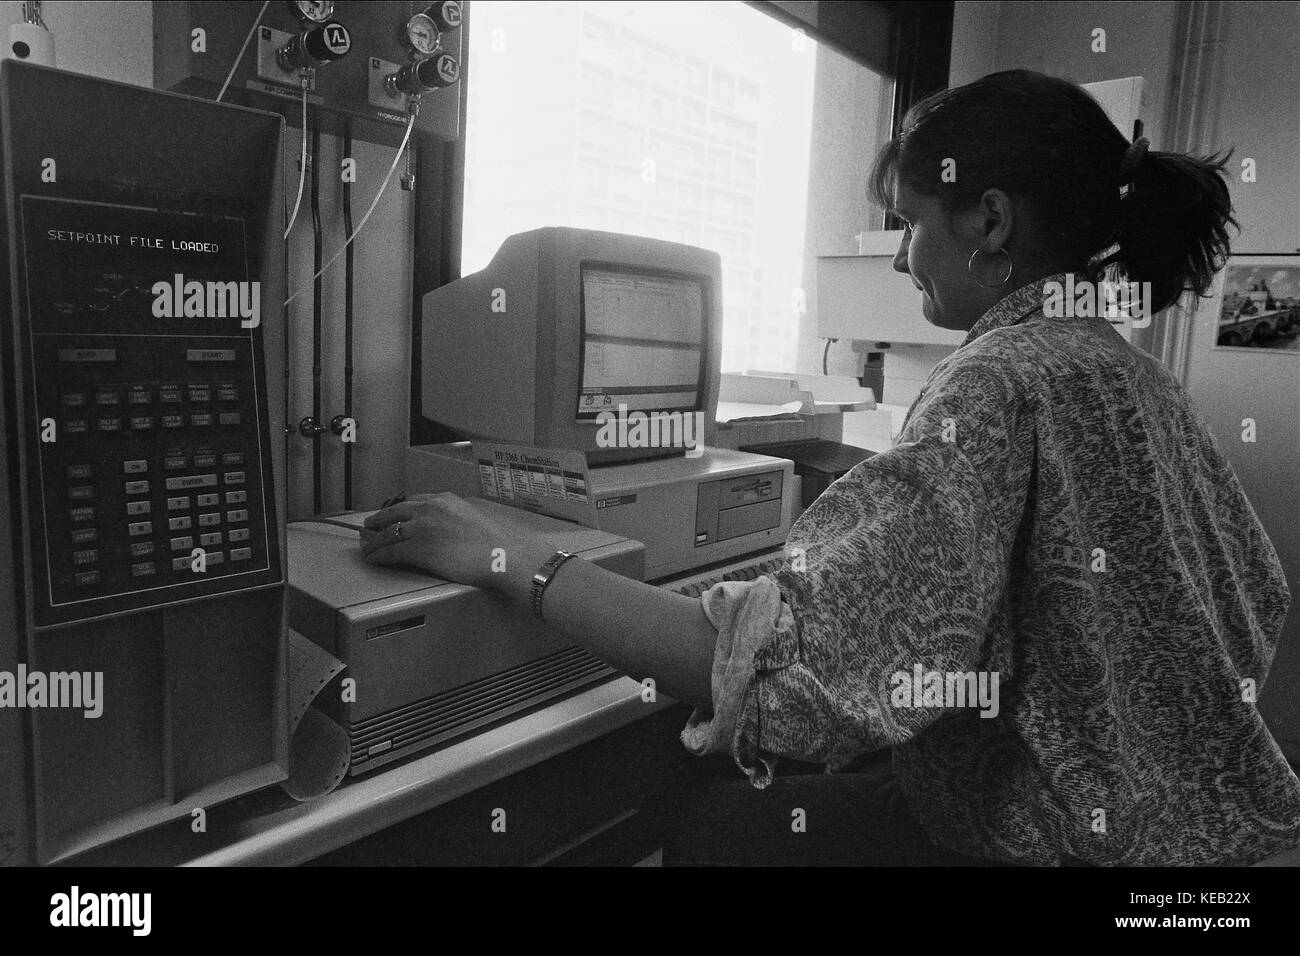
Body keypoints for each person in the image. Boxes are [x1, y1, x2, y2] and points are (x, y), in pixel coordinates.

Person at [361, 70, 1300, 866]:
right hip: (1215, 836)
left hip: (1068, 847)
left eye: (910, 223)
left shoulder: (1003, 378)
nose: (901, 257)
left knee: (704, 826)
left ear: (992, 221)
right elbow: (1254, 596)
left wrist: (498, 554)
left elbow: (750, 666)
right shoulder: (1130, 371)